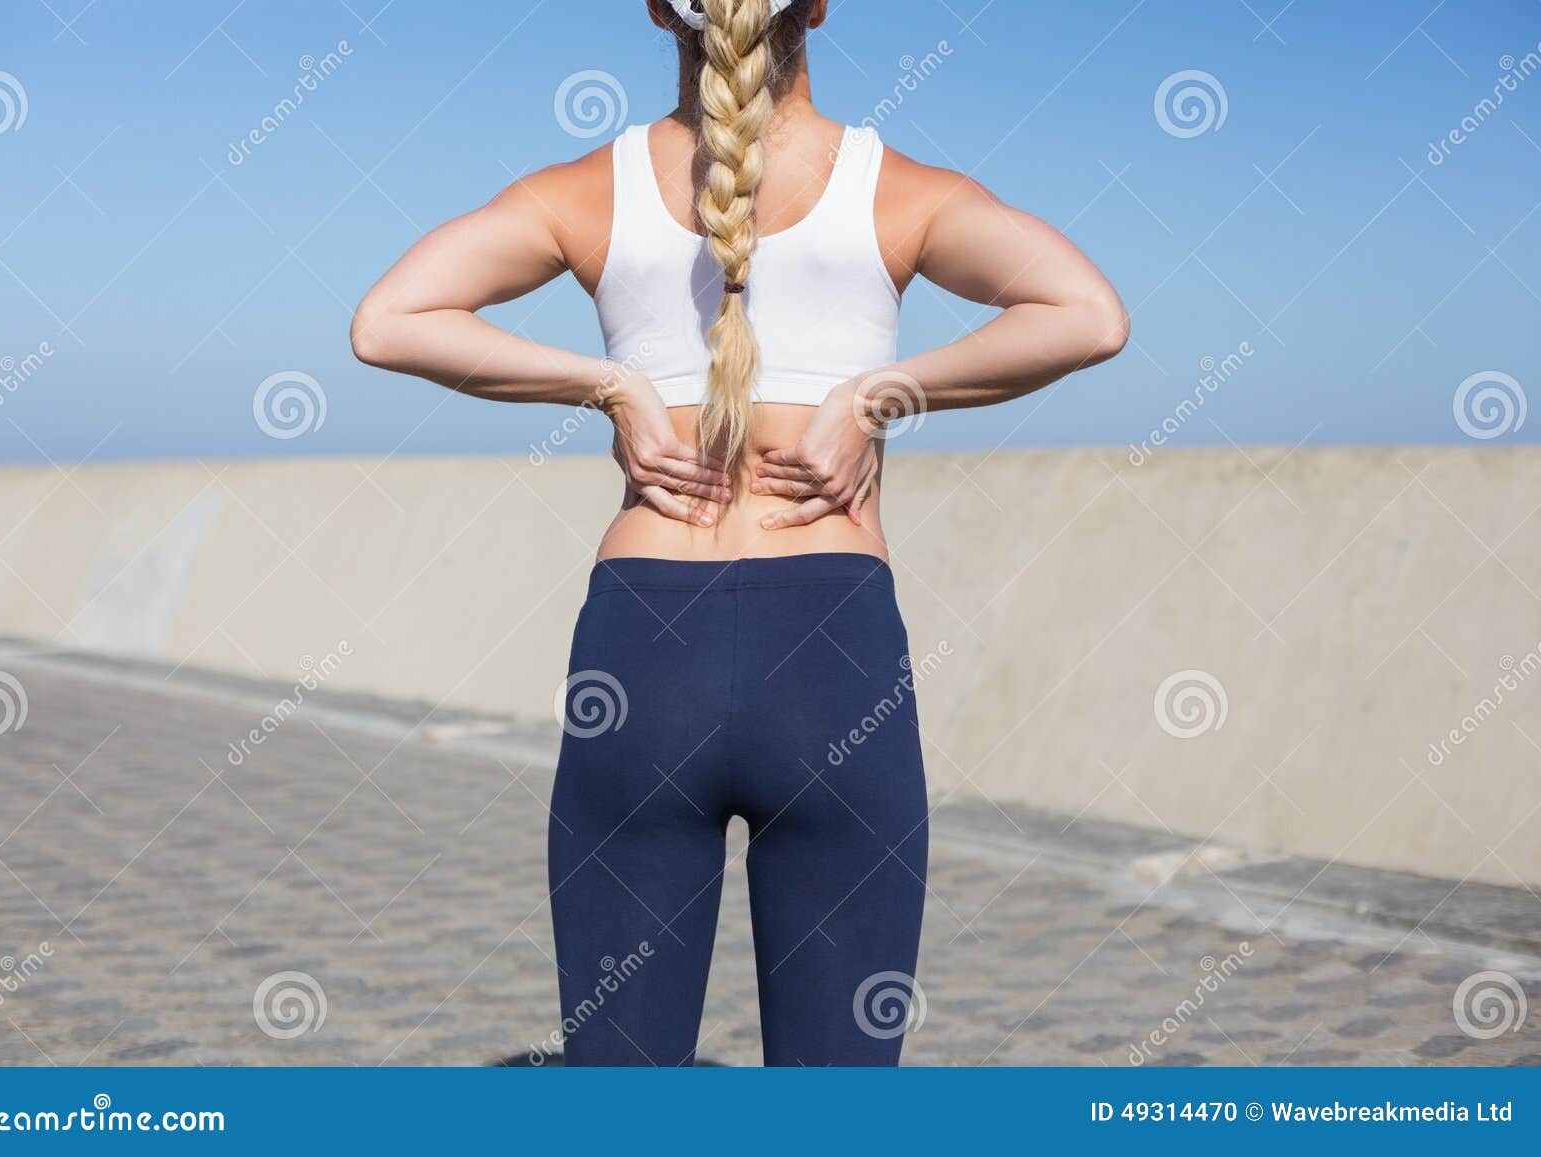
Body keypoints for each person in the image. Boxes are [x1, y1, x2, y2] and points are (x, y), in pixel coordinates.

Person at [351, 0, 1127, 1066]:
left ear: (658, 10)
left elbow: (387, 321)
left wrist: (608, 386)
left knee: (618, 1087)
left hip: (642, 657)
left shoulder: (582, 191)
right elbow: (1088, 313)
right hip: (832, 658)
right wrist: (878, 393)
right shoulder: (896, 188)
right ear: (817, 6)